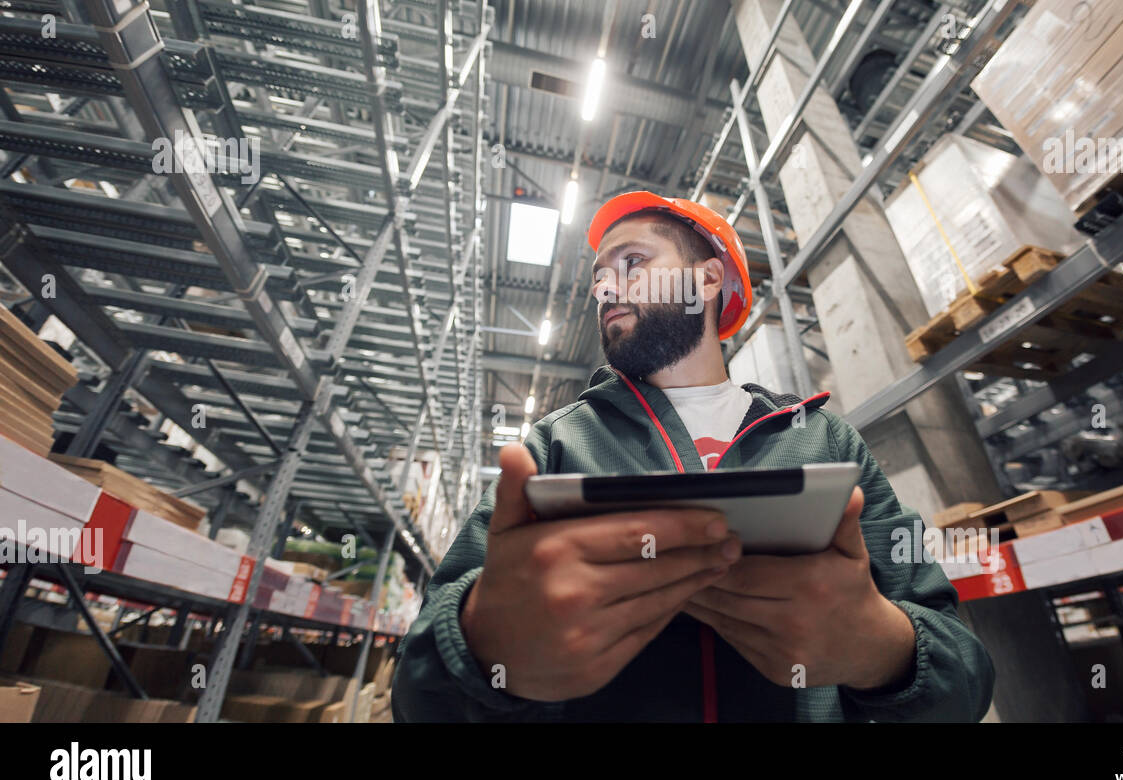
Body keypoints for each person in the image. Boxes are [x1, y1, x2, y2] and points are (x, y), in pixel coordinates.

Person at [392, 190, 995, 721]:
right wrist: (482, 644)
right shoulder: (555, 446)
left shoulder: (822, 440)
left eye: (633, 262)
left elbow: (965, 680)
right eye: (601, 275)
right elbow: (414, 694)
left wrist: (881, 649)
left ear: (708, 279)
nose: (606, 287)